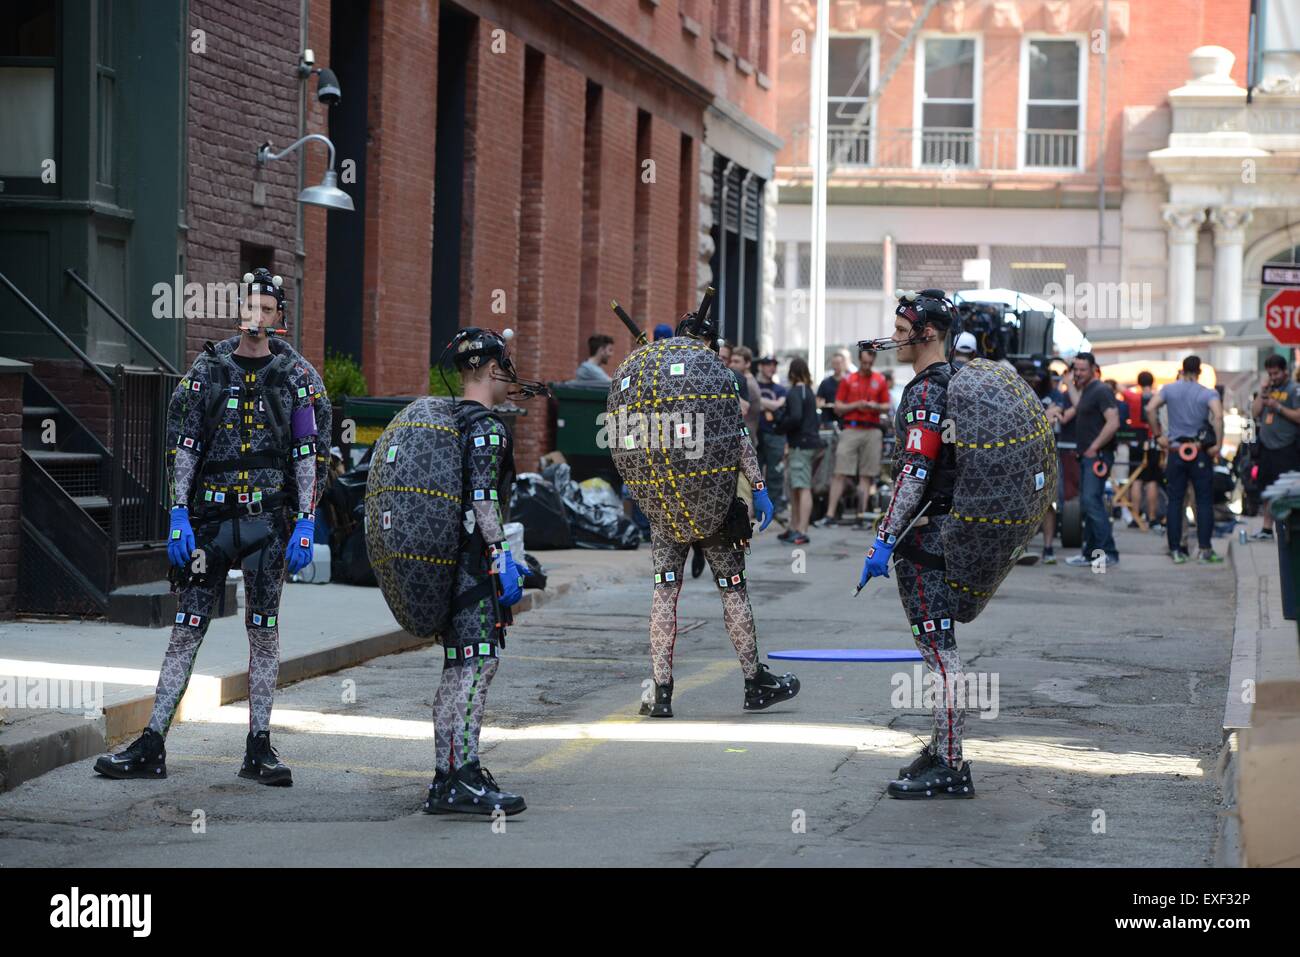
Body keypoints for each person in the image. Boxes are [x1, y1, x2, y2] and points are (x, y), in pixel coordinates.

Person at [94, 269, 327, 786]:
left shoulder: (296, 376)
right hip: (210, 522)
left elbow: (308, 452)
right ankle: (152, 744)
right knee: (187, 629)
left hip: (268, 523)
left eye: (267, 309)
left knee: (263, 633)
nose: (257, 317)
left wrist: (307, 522)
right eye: (251, 307)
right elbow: (184, 444)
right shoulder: (208, 369)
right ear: (238, 310)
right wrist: (177, 514)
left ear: (279, 316)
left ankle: (259, 748)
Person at [638, 315, 800, 719]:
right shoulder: (720, 378)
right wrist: (760, 489)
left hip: (666, 505)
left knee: (664, 591)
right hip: (714, 502)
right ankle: (754, 682)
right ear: (708, 344)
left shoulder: (653, 379)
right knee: (732, 589)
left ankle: (661, 691)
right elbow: (740, 440)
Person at [857, 289, 974, 799]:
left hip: (929, 537)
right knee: (939, 643)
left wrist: (882, 540)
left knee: (938, 648)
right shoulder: (958, 382)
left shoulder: (927, 391)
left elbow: (915, 469)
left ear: (928, 335)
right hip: (951, 532)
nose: (894, 340)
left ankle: (952, 764)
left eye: (903, 333)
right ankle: (941, 747)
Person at [422, 329, 529, 816]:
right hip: (473, 567)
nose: (510, 378)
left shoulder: (448, 420)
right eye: (506, 369)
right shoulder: (487, 427)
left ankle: (446, 779)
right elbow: (484, 499)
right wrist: (502, 557)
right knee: (479, 665)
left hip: (444, 567)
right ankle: (463, 776)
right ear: (489, 371)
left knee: (456, 667)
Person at [1146, 355, 1224, 564]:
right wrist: (1218, 444)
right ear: (1199, 372)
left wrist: (1158, 435)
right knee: (1204, 501)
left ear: (1182, 370)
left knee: (1175, 502)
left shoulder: (1169, 390)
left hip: (1175, 450)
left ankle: (1176, 550)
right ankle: (1205, 550)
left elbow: (1150, 408)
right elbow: (1218, 416)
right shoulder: (1207, 393)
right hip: (1198, 451)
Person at [1050, 353, 1120, 567]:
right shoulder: (1089, 391)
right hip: (1088, 456)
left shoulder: (1101, 390)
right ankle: (1090, 553)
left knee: (1091, 502)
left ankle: (1108, 552)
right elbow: (1079, 406)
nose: (1078, 373)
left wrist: (1094, 447)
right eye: (1076, 369)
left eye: (1082, 369)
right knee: (1088, 504)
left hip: (1096, 456)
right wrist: (1070, 383)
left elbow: (1113, 421)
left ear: (1093, 369)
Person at [826, 345, 890, 522]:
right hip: (851, 428)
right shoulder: (848, 379)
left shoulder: (880, 379)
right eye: (864, 363)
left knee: (867, 474)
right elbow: (838, 407)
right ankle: (830, 514)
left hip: (872, 429)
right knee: (840, 471)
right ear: (859, 360)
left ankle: (860, 515)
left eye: (869, 363)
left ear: (873, 361)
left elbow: (887, 405)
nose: (866, 366)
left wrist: (874, 406)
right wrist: (856, 405)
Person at [1249, 354, 1300, 541]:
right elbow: (1254, 413)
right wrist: (1262, 395)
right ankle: (1267, 528)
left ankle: (1288, 527)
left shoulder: (1294, 390)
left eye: (1276, 373)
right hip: (1266, 448)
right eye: (1270, 374)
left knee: (1286, 490)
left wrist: (1277, 406)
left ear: (1285, 371)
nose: (1273, 377)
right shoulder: (1267, 389)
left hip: (1286, 448)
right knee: (1266, 487)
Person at [779, 357, 822, 546]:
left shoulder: (796, 392)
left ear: (792, 373)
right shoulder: (809, 392)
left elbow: (795, 417)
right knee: (797, 486)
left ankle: (801, 529)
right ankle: (795, 527)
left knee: (802, 487)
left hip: (800, 443)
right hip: (810, 442)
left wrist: (780, 426)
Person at [1121, 371, 1163, 529]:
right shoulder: (1157, 398)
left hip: (1135, 441)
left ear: (1138, 382)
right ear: (1152, 382)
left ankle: (1136, 516)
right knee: (1152, 480)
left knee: (1136, 480)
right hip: (1153, 440)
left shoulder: (1132, 397)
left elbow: (1120, 388)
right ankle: (1152, 517)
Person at [755, 356, 788, 515]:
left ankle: (774, 506)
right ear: (761, 366)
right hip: (756, 434)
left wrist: (760, 402)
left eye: (774, 365)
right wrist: (768, 405)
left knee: (776, 472)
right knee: (755, 472)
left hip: (775, 435)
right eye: (768, 365)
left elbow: (778, 404)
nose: (771, 368)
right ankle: (755, 507)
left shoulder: (780, 389)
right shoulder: (753, 385)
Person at [816, 349, 849, 426]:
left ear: (843, 364)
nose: (836, 366)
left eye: (838, 363)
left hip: (846, 421)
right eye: (834, 363)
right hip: (829, 421)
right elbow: (818, 402)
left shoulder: (850, 382)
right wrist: (825, 405)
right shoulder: (825, 383)